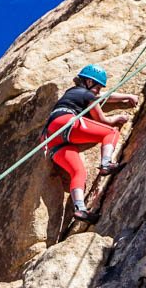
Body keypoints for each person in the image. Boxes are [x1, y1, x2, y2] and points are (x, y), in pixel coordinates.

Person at [43, 65, 138, 221]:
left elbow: (103, 97)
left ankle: (80, 209)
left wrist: (125, 96)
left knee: (78, 172)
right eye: (97, 86)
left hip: (51, 137)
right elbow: (102, 119)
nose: (98, 90)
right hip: (66, 122)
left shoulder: (75, 94)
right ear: (88, 82)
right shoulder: (85, 94)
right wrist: (114, 119)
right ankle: (106, 163)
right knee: (111, 132)